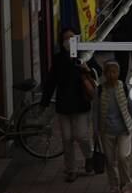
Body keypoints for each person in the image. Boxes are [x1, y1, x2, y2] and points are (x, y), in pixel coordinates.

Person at [41, 30, 98, 181]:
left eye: (72, 37)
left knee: (81, 135)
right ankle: (70, 169)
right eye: (65, 38)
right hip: (64, 104)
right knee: (66, 138)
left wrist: (87, 68)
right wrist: (45, 102)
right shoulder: (59, 58)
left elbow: (97, 72)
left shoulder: (84, 55)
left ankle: (89, 157)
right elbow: (51, 81)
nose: (69, 41)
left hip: (81, 102)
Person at [94, 60, 132, 193]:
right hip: (106, 130)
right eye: (108, 72)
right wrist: (95, 130)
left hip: (124, 130)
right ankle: (114, 185)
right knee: (110, 159)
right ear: (104, 74)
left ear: (118, 73)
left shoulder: (124, 88)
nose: (111, 75)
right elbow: (95, 111)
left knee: (122, 157)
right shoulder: (100, 90)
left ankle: (125, 184)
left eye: (114, 72)